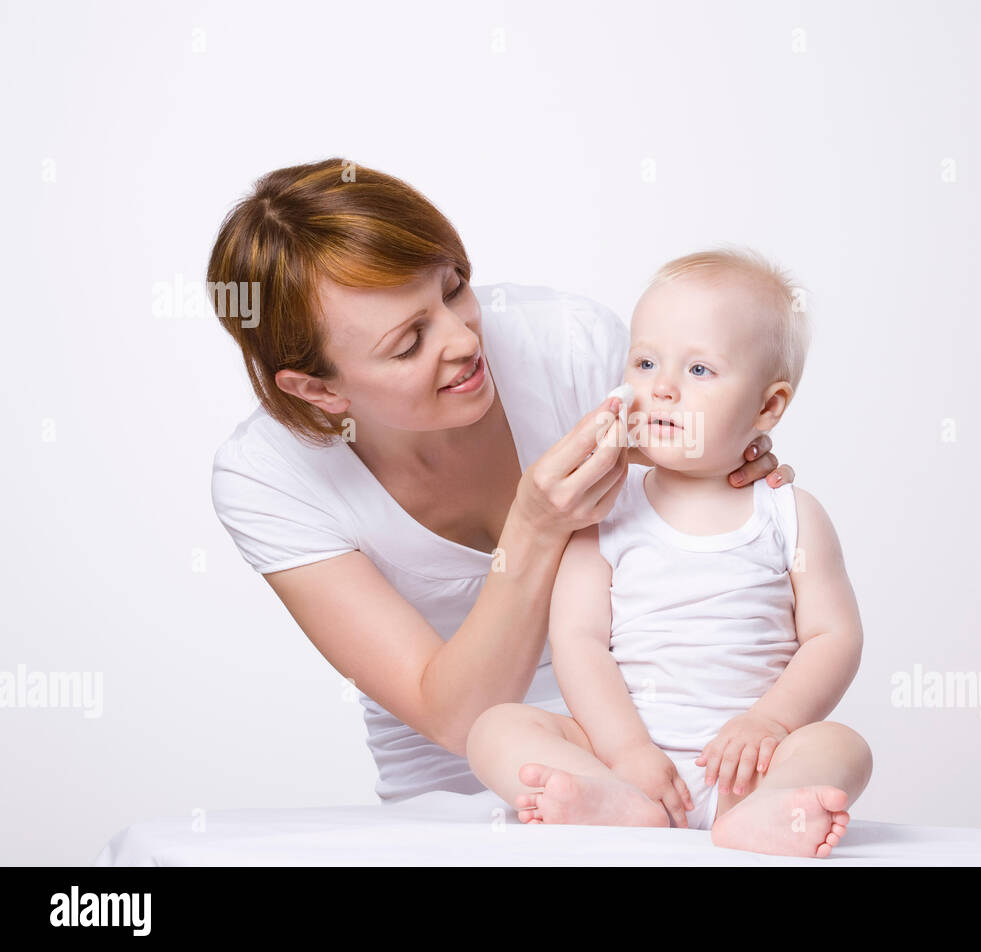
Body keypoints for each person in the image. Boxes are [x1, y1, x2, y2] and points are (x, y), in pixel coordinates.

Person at [207, 158, 793, 803]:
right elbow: (458, 720)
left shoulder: (568, 345)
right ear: (318, 388)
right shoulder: (266, 478)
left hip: (657, 741)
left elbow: (713, 494)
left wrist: (730, 468)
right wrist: (537, 526)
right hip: (466, 775)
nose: (463, 339)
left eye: (454, 287)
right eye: (409, 343)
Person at [466, 248, 872, 857]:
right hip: (627, 759)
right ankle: (609, 800)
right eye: (646, 361)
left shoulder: (790, 513)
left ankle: (764, 812)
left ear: (768, 406)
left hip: (746, 765)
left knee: (843, 747)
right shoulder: (604, 512)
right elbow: (578, 642)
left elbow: (833, 637)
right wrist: (625, 750)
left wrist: (772, 723)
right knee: (495, 729)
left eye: (700, 371)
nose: (662, 388)